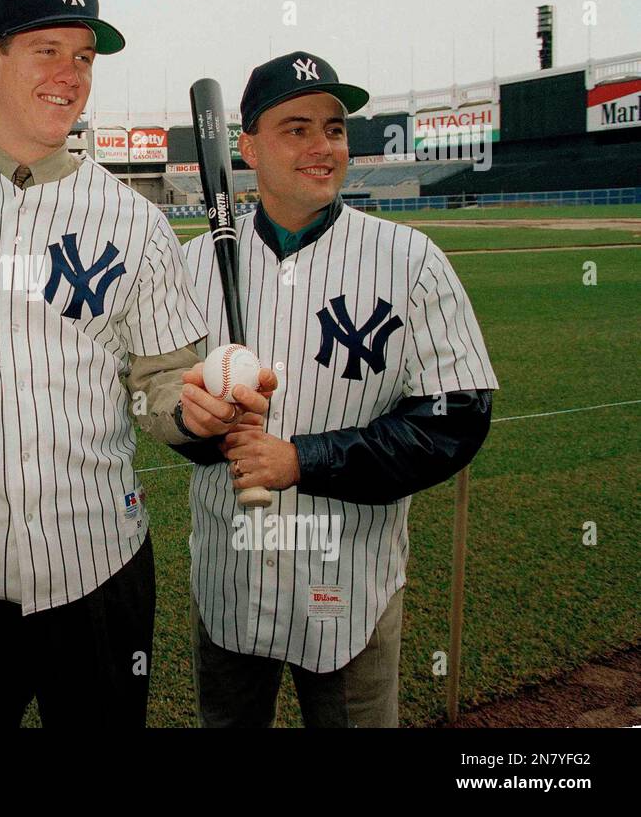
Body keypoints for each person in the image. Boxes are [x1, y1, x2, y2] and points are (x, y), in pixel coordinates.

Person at [0, 0, 270, 727]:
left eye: (83, 57)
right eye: (47, 49)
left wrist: (201, 409)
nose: (68, 75)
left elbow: (159, 385)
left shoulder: (133, 220)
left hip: (99, 565)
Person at [180, 50, 498, 727]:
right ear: (246, 145)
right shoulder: (189, 267)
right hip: (228, 586)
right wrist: (200, 427)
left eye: (334, 128)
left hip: (351, 591)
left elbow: (457, 417)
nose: (323, 146)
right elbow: (156, 401)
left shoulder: (410, 260)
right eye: (297, 128)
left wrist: (303, 459)